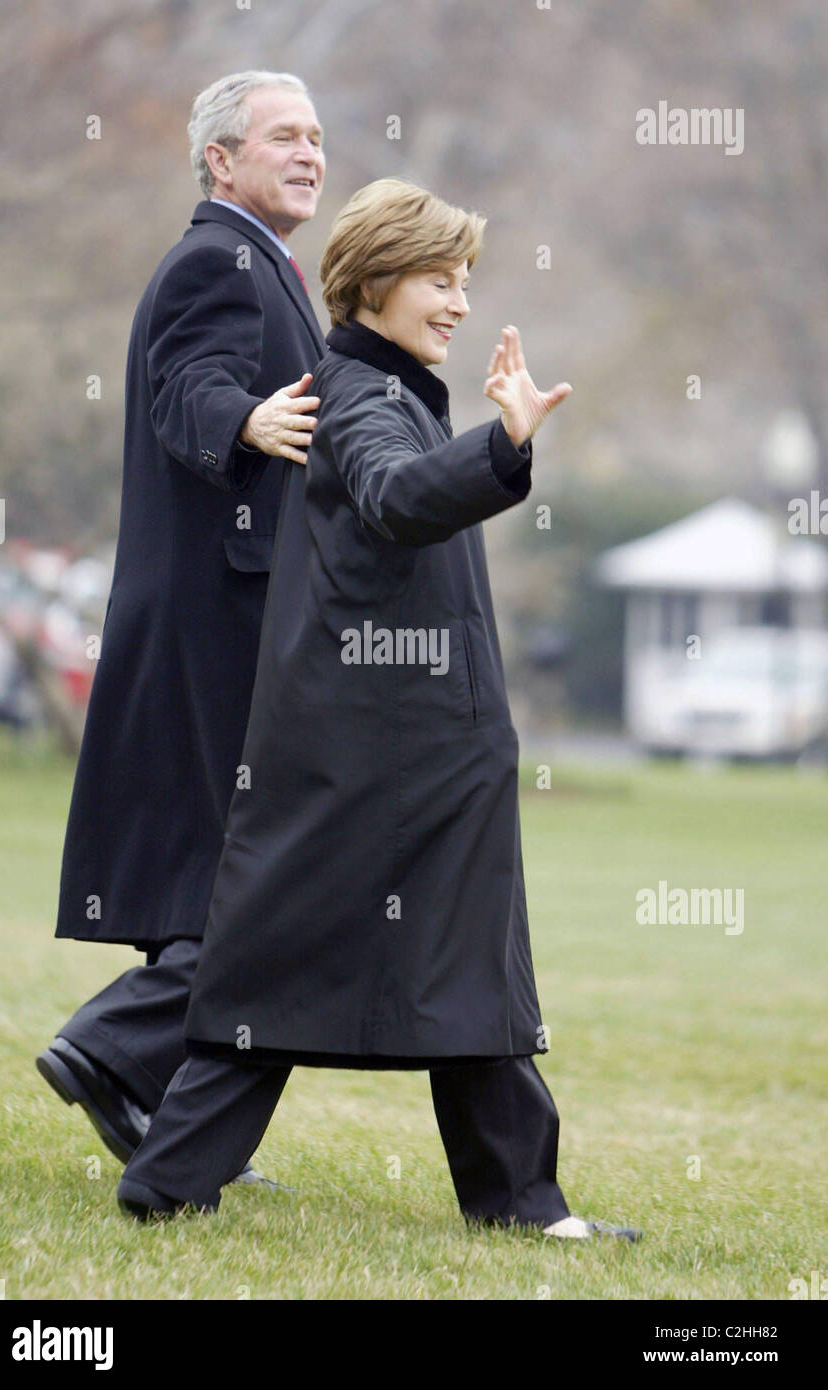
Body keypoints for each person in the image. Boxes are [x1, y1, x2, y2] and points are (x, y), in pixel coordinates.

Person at [117, 179, 641, 1242]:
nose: (455, 302)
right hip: (378, 763)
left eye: (464, 282)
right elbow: (399, 498)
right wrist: (503, 448)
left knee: (456, 968)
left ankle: (513, 1202)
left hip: (406, 757)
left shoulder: (388, 392)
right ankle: (174, 1176)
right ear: (371, 284)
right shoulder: (356, 397)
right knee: (295, 967)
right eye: (437, 281)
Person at [36, 70, 326, 1184]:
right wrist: (244, 418)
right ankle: (109, 1044)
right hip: (218, 614)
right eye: (284, 137)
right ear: (221, 160)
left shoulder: (266, 262)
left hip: (214, 609)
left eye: (318, 137)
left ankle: (157, 1101)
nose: (310, 153)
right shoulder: (218, 257)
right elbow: (186, 391)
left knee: (214, 868)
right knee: (261, 879)